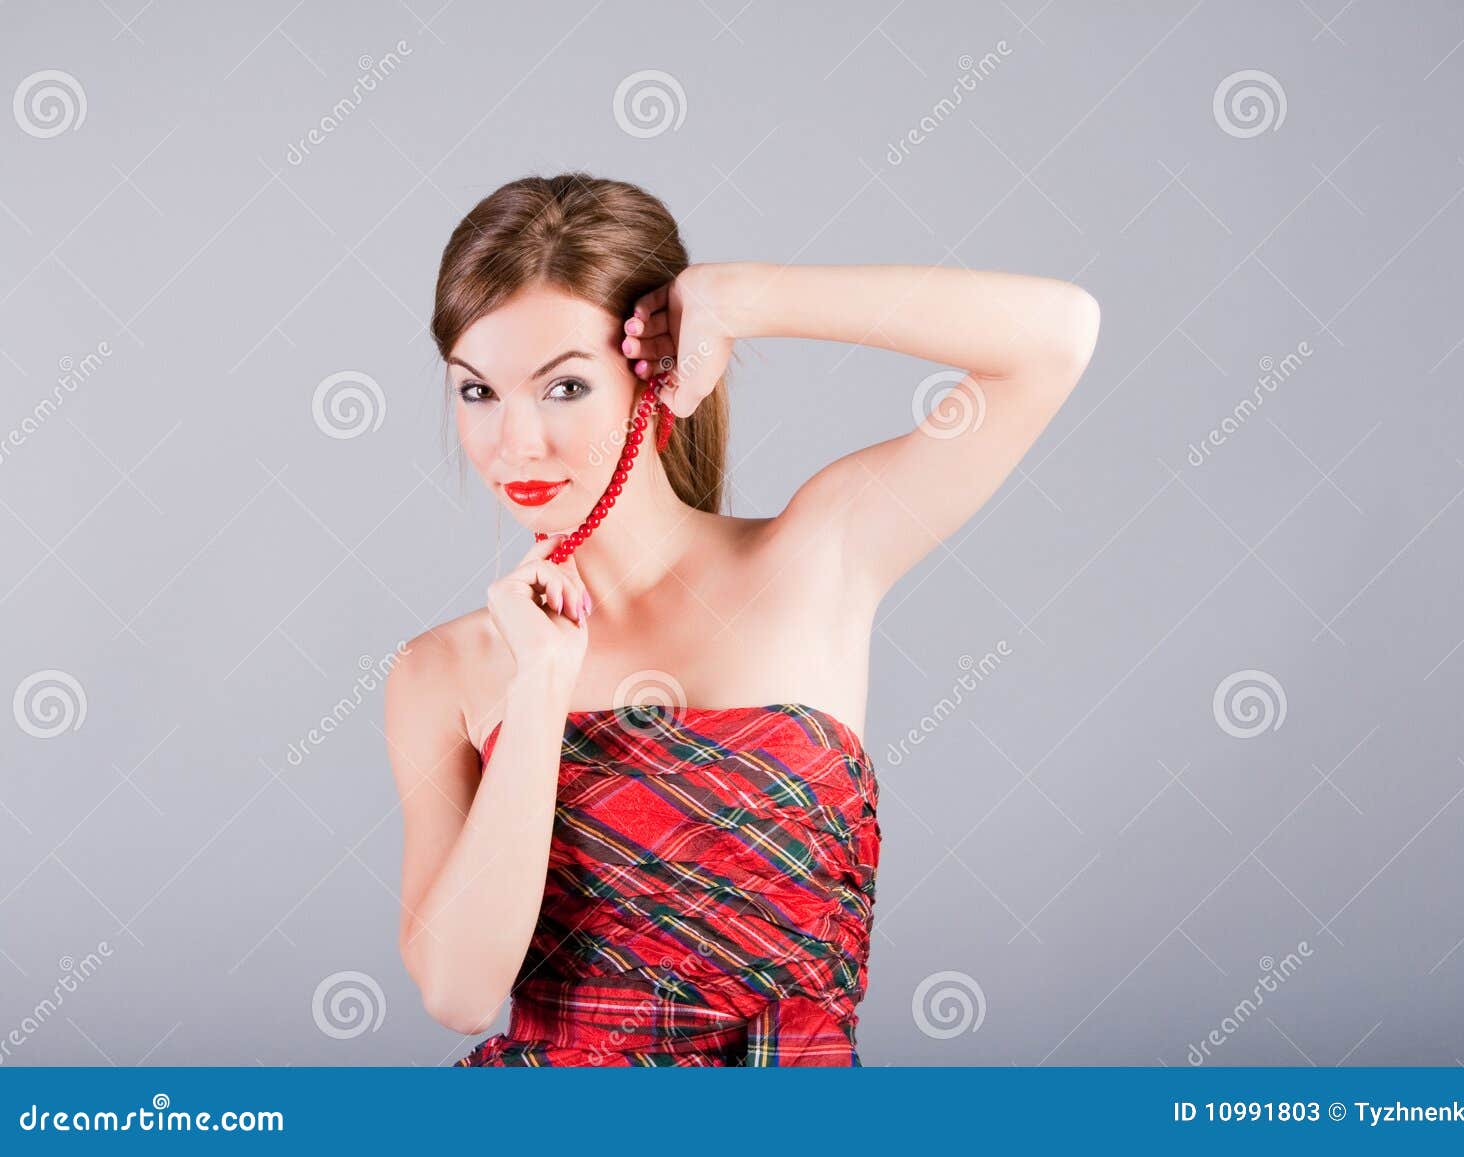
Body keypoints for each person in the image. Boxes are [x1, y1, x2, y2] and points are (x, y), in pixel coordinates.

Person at [383, 172, 1101, 1065]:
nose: (514, 443)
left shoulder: (815, 557)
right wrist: (538, 687)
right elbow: (457, 992)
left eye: (563, 387)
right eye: (478, 392)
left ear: (653, 376)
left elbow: (1056, 338)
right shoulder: (441, 670)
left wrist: (746, 298)